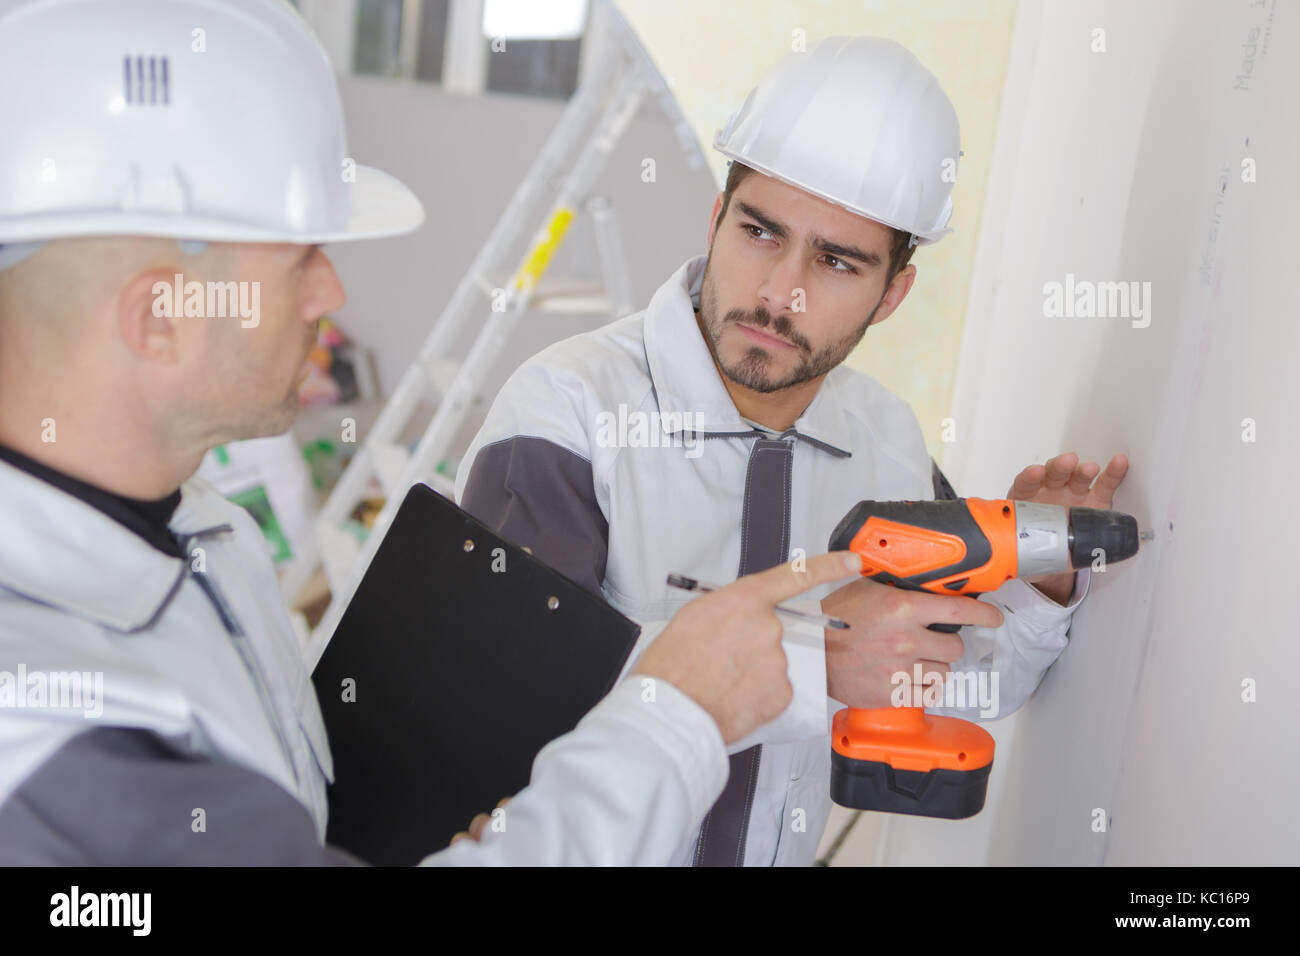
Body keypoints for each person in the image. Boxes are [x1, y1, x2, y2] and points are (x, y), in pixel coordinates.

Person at [0, 0, 864, 866]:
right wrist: (678, 717)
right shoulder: (43, 735)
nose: (332, 294)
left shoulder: (191, 526)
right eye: (302, 258)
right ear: (162, 316)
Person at [456, 35, 1132, 866]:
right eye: (762, 232)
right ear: (717, 217)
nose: (782, 292)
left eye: (838, 262)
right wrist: (829, 661)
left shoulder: (886, 442)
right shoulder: (569, 408)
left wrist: (1040, 583)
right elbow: (512, 680)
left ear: (892, 295)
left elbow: (956, 683)